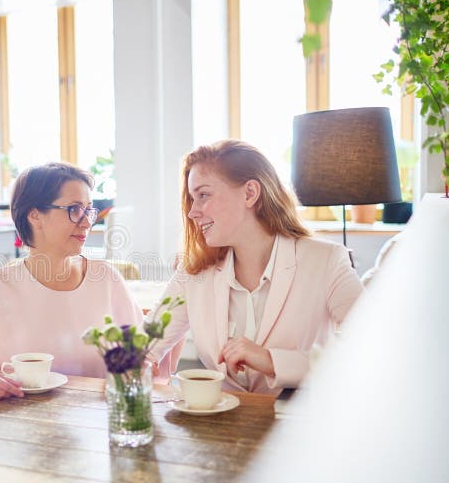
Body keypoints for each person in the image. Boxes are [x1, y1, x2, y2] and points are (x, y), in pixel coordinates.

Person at [0, 162, 182, 401]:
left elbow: (143, 361)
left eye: (89, 210)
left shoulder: (107, 280)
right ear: (35, 215)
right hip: (24, 436)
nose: (87, 222)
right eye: (74, 209)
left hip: (99, 434)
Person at [146, 140, 364, 394]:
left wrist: (272, 361)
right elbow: (144, 344)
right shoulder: (194, 272)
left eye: (203, 195)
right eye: (192, 199)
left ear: (250, 193)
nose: (193, 212)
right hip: (216, 429)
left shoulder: (326, 260)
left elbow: (372, 346)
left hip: (301, 428)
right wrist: (137, 363)